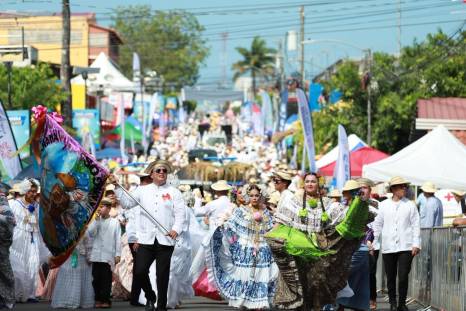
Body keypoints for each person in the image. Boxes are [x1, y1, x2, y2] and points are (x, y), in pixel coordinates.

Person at [110, 159, 185, 311]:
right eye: (158, 170)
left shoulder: (174, 192)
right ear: (151, 174)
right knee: (140, 271)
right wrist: (117, 187)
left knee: (162, 275)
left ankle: (161, 307)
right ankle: (150, 296)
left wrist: (176, 229)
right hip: (145, 239)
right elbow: (126, 203)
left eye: (164, 170)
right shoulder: (142, 190)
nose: (162, 173)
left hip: (166, 239)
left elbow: (180, 214)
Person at [205, 184, 278, 309]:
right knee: (246, 276)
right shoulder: (241, 211)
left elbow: (271, 229)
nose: (254, 198)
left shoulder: (266, 211)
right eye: (251, 196)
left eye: (256, 195)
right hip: (245, 249)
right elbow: (231, 225)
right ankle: (246, 301)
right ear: (247, 196)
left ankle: (259, 303)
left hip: (263, 249)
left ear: (260, 196)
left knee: (261, 276)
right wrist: (221, 228)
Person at [372, 176, 421, 311]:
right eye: (401, 186)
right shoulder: (383, 205)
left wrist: (416, 244)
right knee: (391, 276)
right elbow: (377, 225)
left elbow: (416, 225)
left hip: (406, 245)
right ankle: (393, 303)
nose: (404, 188)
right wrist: (373, 243)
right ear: (393, 189)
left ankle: (402, 303)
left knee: (403, 276)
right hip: (388, 246)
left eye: (404, 186)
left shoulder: (410, 205)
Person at [8, 179, 42, 302]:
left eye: (34, 191)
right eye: (31, 191)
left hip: (33, 239)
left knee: (33, 265)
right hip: (17, 239)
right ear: (24, 191)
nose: (33, 194)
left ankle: (30, 295)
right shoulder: (13, 204)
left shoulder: (37, 206)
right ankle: (17, 294)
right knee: (17, 268)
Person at [88, 198, 122, 308]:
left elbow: (118, 239)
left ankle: (105, 300)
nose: (100, 209)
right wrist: (96, 221)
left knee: (106, 280)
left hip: (108, 255)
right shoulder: (96, 221)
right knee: (96, 279)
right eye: (99, 207)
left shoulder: (115, 222)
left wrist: (118, 254)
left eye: (102, 207)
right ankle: (97, 298)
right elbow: (90, 233)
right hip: (97, 255)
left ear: (108, 208)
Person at [51, 232, 94, 309]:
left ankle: (77, 300)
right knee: (68, 275)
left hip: (81, 256)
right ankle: (67, 299)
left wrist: (89, 255)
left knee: (77, 275)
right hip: (69, 255)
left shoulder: (84, 228)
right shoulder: (64, 229)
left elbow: (88, 242)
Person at [0, 183, 15, 310]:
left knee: (5, 271)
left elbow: (10, 218)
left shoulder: (2, 197)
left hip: (1, 241)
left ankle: (7, 298)